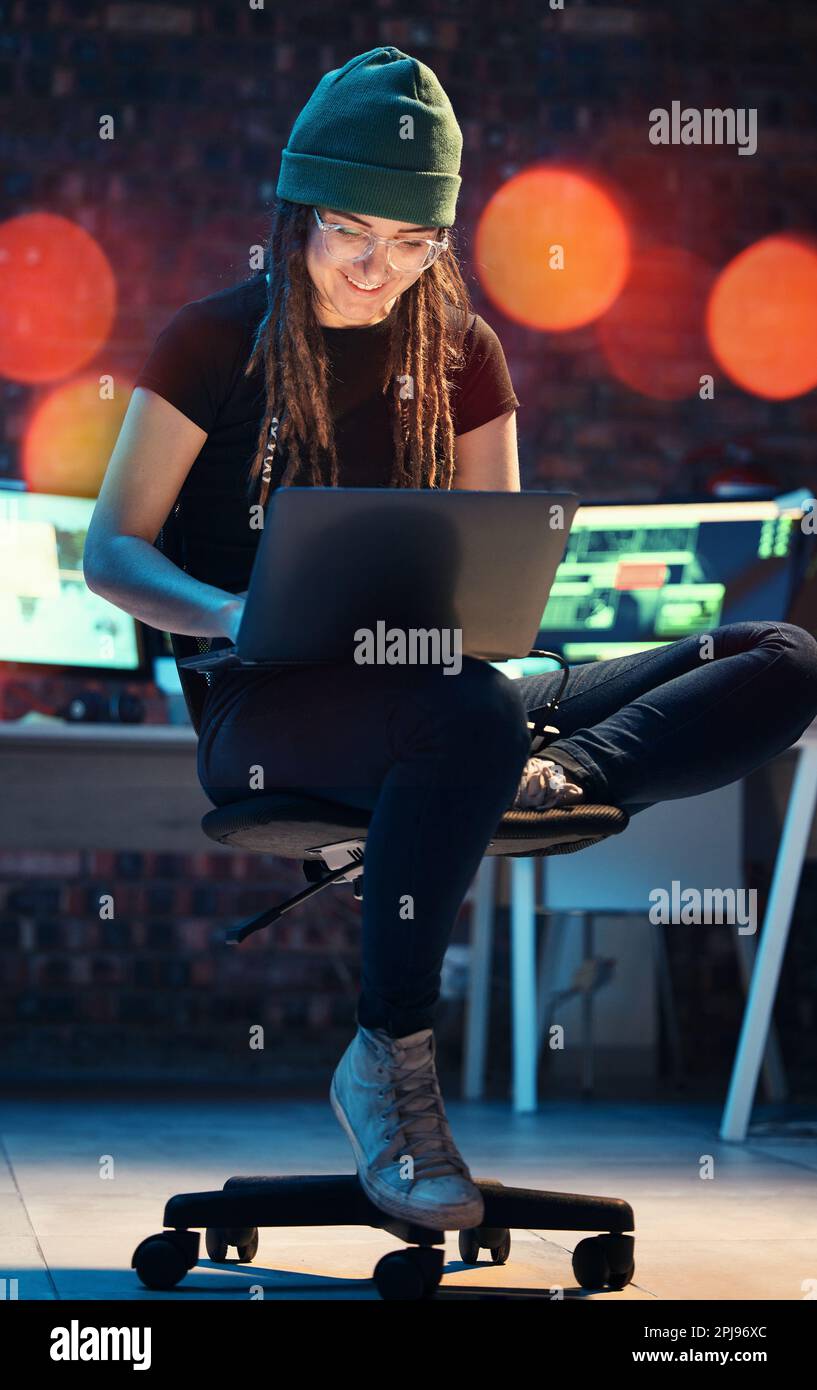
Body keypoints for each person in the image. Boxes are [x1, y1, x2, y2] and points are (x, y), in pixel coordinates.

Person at [84, 47, 817, 1234]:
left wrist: (494, 671)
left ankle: (545, 773)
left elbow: (497, 562)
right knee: (467, 709)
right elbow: (112, 551)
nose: (380, 272)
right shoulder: (213, 340)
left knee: (780, 662)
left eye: (414, 243)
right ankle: (389, 1061)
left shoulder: (465, 354)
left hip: (456, 692)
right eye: (351, 235)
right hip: (265, 706)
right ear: (296, 210)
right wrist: (233, 613)